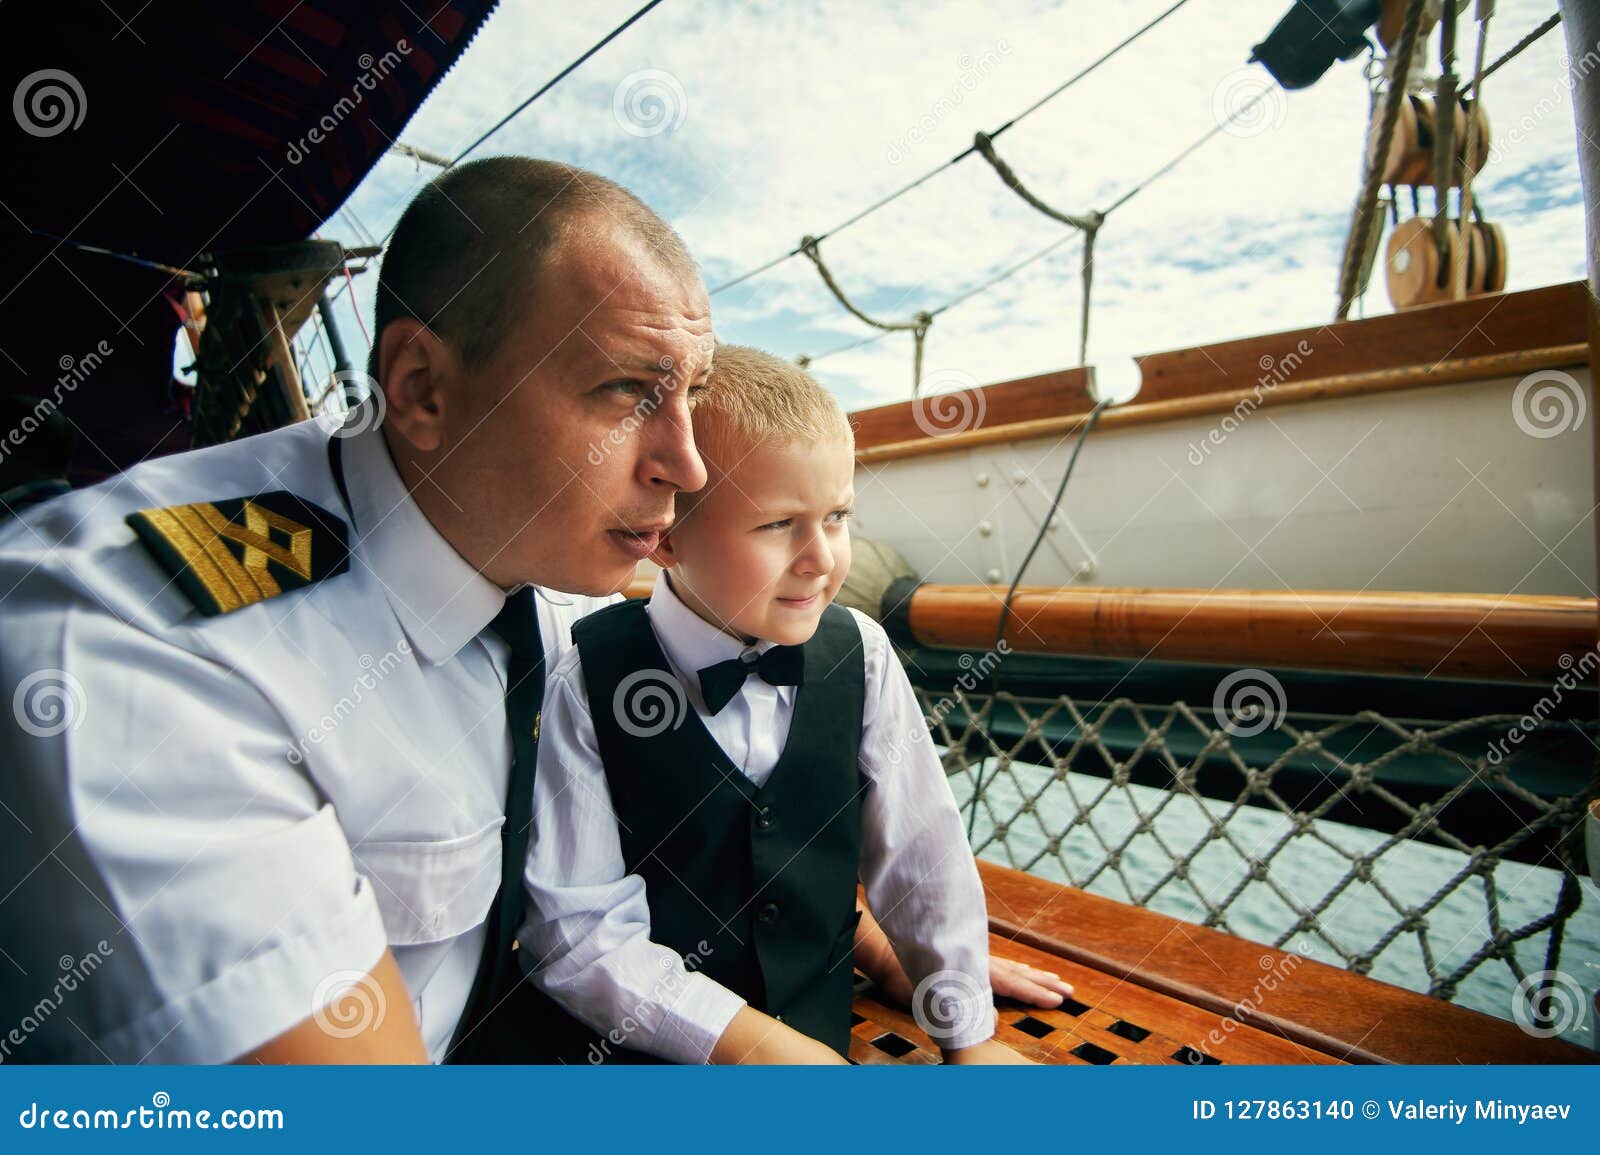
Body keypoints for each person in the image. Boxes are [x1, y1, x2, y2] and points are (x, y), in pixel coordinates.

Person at [0, 156, 713, 1063]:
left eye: (692, 393)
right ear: (421, 388)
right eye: (627, 391)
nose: (689, 465)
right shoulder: (142, 646)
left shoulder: (514, 561)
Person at [520, 345, 1031, 1064]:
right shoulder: (587, 678)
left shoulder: (864, 654)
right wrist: (758, 1050)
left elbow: (923, 854)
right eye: (777, 525)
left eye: (837, 516)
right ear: (666, 535)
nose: (821, 558)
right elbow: (576, 934)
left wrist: (965, 1026)